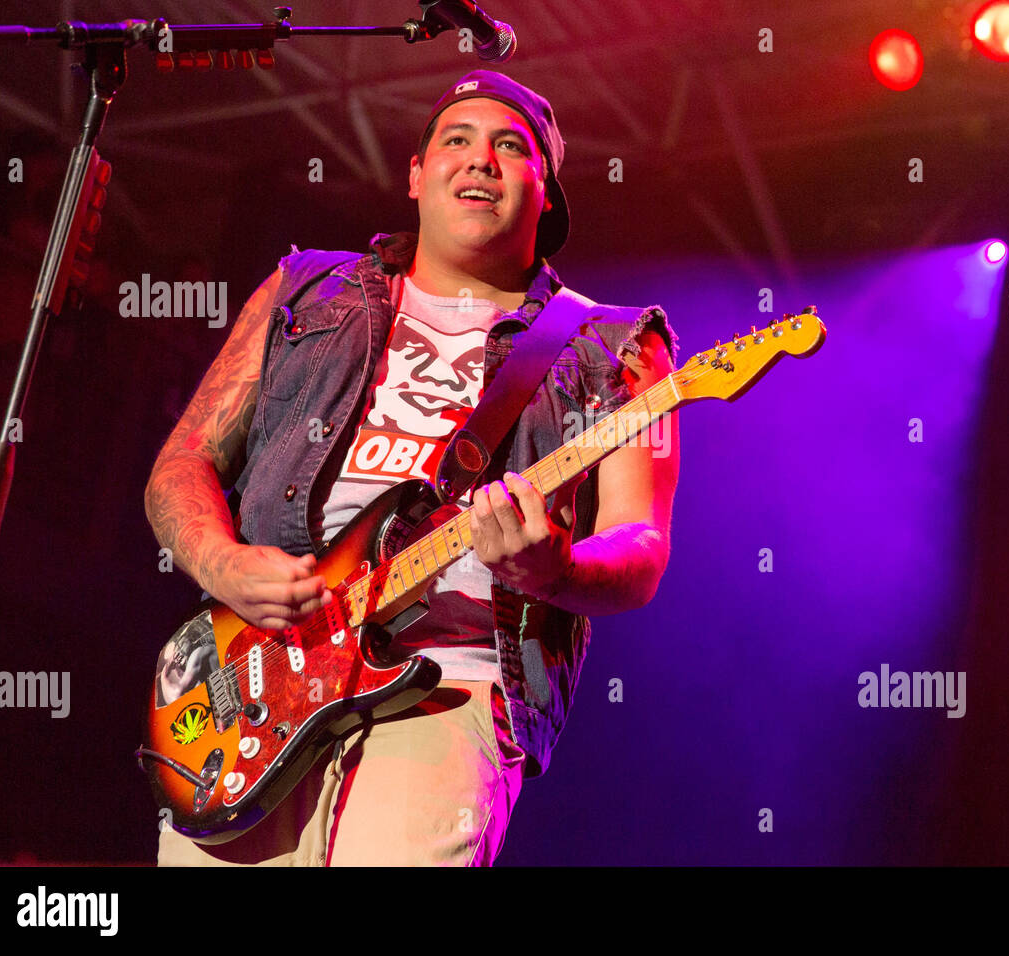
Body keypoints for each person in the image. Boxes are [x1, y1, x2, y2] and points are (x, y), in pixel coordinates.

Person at [145, 70, 679, 865]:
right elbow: (182, 461)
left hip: (452, 680)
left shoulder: (617, 347)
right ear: (416, 174)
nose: (479, 161)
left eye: (510, 147)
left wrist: (550, 566)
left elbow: (640, 548)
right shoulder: (306, 287)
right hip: (254, 676)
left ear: (548, 192)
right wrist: (222, 562)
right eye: (455, 142)